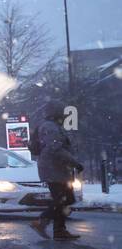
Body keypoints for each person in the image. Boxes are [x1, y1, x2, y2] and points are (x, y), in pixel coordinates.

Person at [32, 101, 83, 240]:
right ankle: (42, 222)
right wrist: (75, 163)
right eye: (64, 113)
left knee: (64, 199)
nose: (66, 116)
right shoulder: (51, 128)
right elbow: (56, 149)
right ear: (57, 114)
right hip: (54, 169)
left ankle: (58, 230)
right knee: (63, 199)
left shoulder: (52, 126)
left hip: (56, 169)